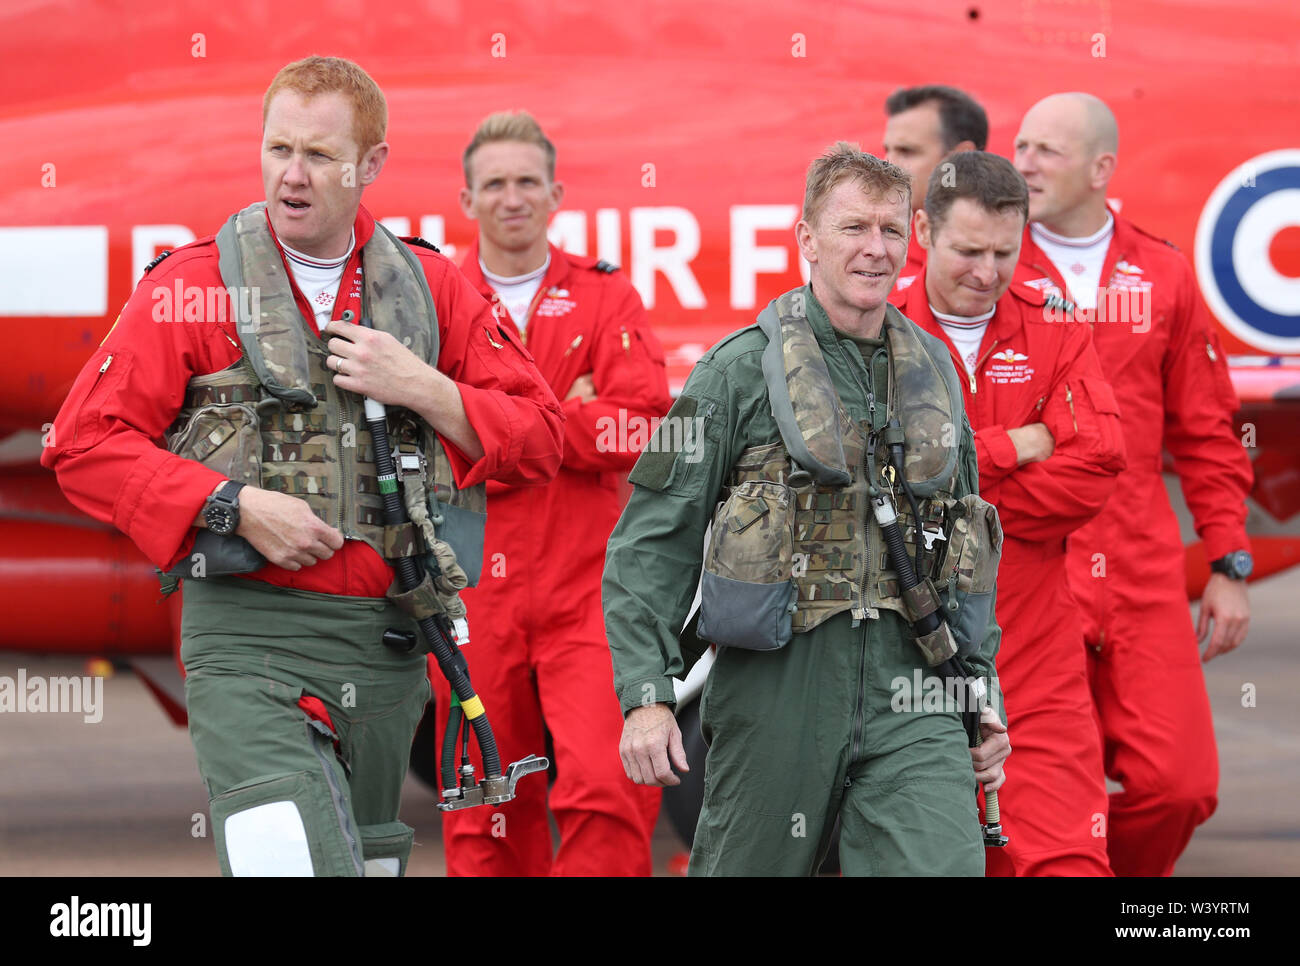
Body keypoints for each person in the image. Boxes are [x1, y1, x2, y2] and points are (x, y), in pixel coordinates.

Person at [40, 57, 564, 877]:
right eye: (277, 148)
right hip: (247, 637)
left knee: (369, 861)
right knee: (283, 859)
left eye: (319, 156)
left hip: (386, 646)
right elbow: (82, 445)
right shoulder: (196, 287)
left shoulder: (432, 289)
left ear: (372, 165)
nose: (292, 174)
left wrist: (423, 388)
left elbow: (541, 437)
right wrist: (232, 504)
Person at [606, 143, 1009, 876]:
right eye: (854, 228)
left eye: (891, 230)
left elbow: (964, 544)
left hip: (912, 687)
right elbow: (651, 542)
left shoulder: (934, 372)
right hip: (777, 690)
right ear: (807, 240)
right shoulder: (735, 372)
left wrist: (982, 692)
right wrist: (646, 694)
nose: (875, 249)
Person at [1013, 92, 1254, 876]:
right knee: (1035, 794)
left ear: (1100, 168)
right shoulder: (995, 265)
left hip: (1143, 569)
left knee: (1180, 785)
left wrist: (1227, 562)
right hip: (1031, 564)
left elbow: (1208, 432)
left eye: (1047, 150)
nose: (1025, 164)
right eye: (1021, 146)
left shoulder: (1163, 273)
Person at [432, 111, 671, 876]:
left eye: (527, 181)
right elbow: (418, 434)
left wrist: (489, 421)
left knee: (608, 790)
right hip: (473, 594)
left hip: (590, 592)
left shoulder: (606, 296)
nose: (512, 197)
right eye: (494, 183)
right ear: (466, 200)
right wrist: (575, 410)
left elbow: (641, 433)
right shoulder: (434, 298)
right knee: (483, 806)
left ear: (556, 193)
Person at [891, 151, 1126, 875]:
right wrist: (1017, 444)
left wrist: (955, 480)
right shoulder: (871, 325)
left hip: (1034, 638)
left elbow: (1095, 470)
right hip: (901, 642)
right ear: (924, 230)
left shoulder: (1055, 329)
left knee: (1067, 856)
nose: (988, 273)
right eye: (967, 251)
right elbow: (871, 482)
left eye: (1004, 252)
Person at [882, 85, 989, 291]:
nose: (888, 164)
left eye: (907, 151)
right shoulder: (869, 256)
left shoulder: (1019, 250)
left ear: (960, 158)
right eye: (888, 150)